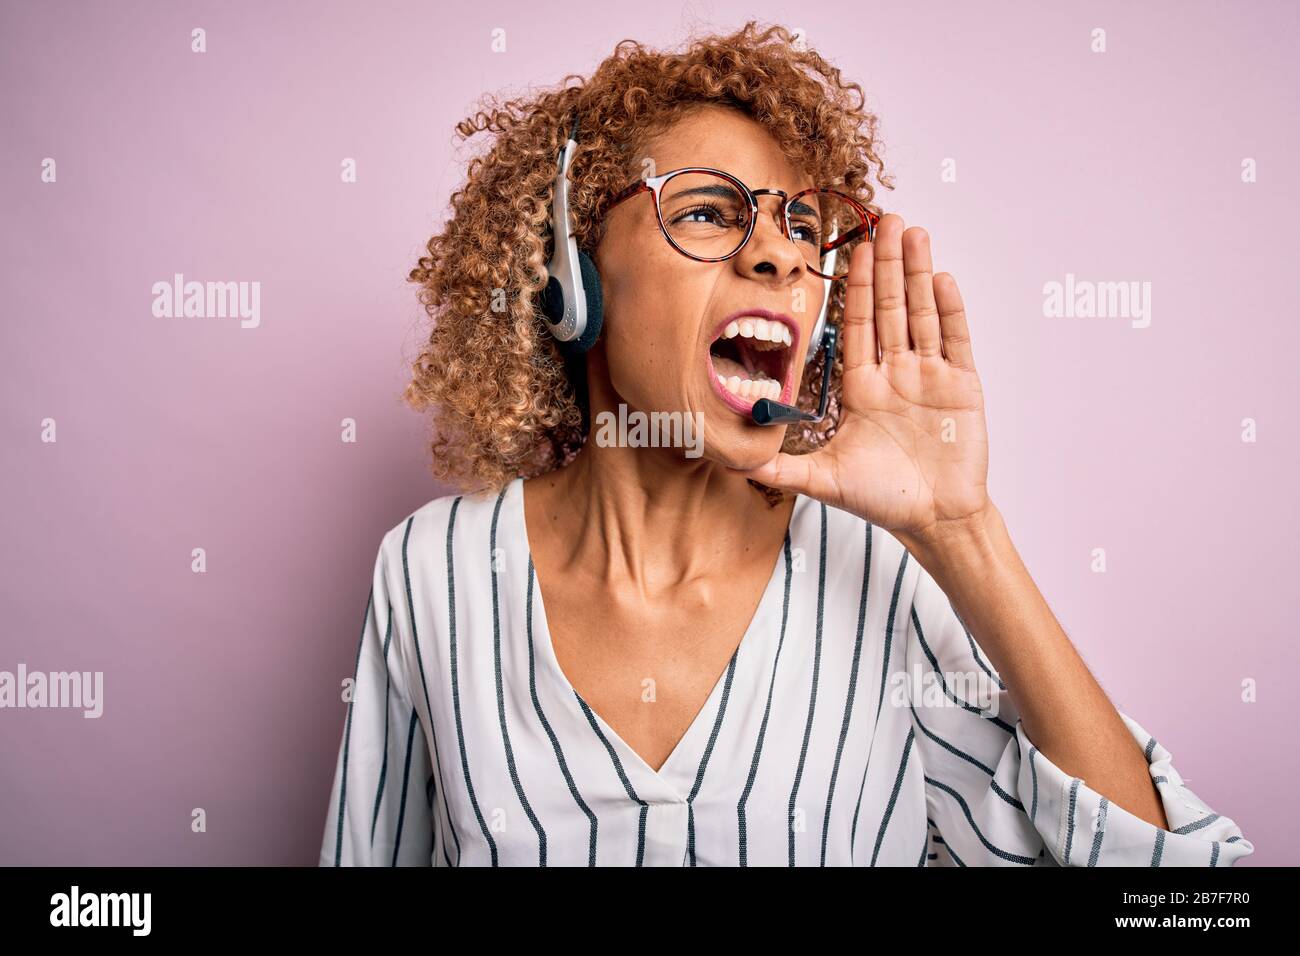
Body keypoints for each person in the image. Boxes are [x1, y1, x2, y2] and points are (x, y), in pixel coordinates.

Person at [319, 22, 1253, 866]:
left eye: (802, 226)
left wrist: (961, 528)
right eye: (708, 211)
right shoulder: (431, 571)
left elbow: (1171, 893)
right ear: (571, 272)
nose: (780, 255)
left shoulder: (876, 576)